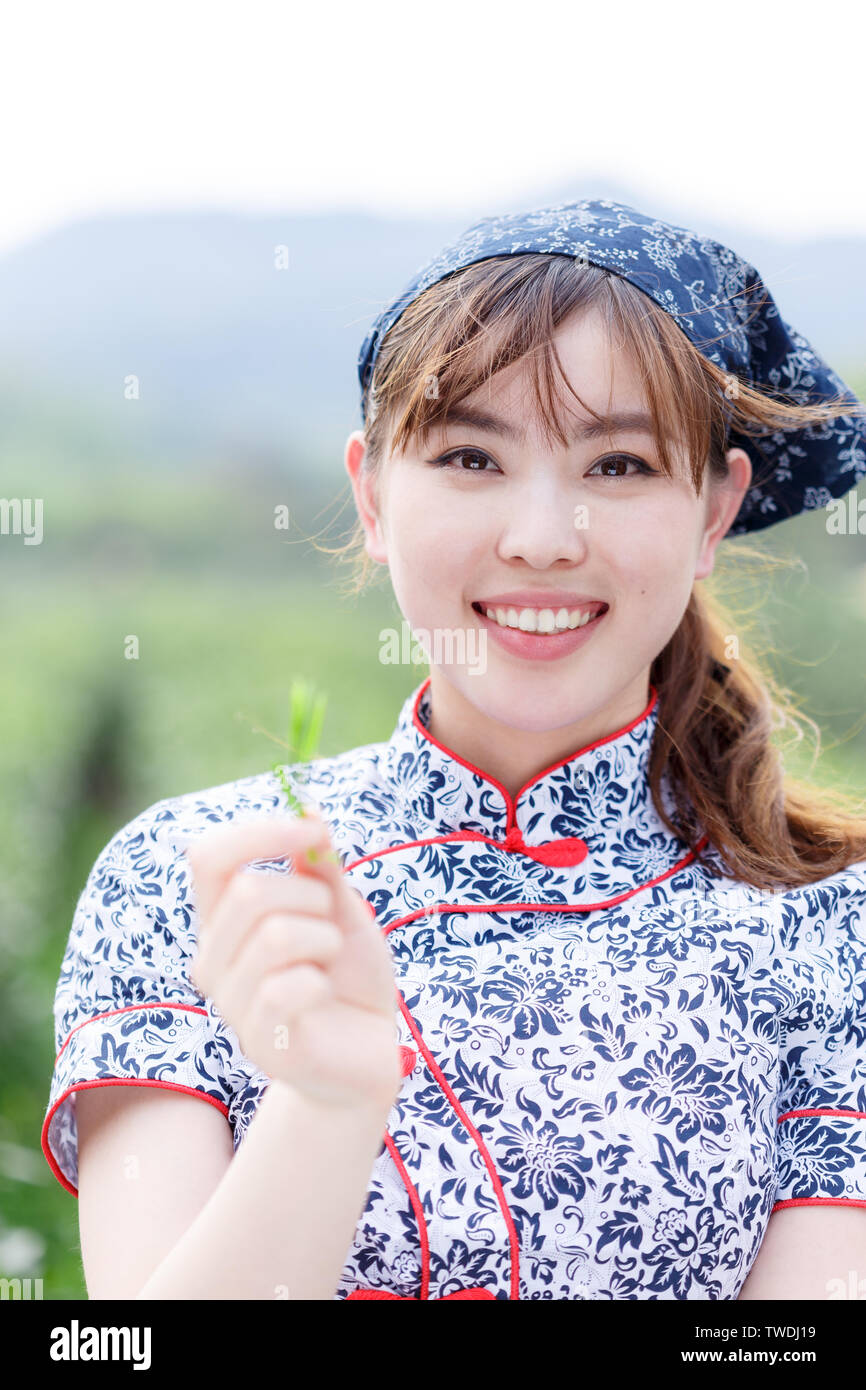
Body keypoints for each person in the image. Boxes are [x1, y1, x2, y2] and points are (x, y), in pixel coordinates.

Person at [42, 197, 866, 1301]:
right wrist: (325, 1105)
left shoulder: (832, 918)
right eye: (470, 456)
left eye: (617, 466)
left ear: (713, 509)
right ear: (371, 493)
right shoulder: (193, 880)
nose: (538, 537)